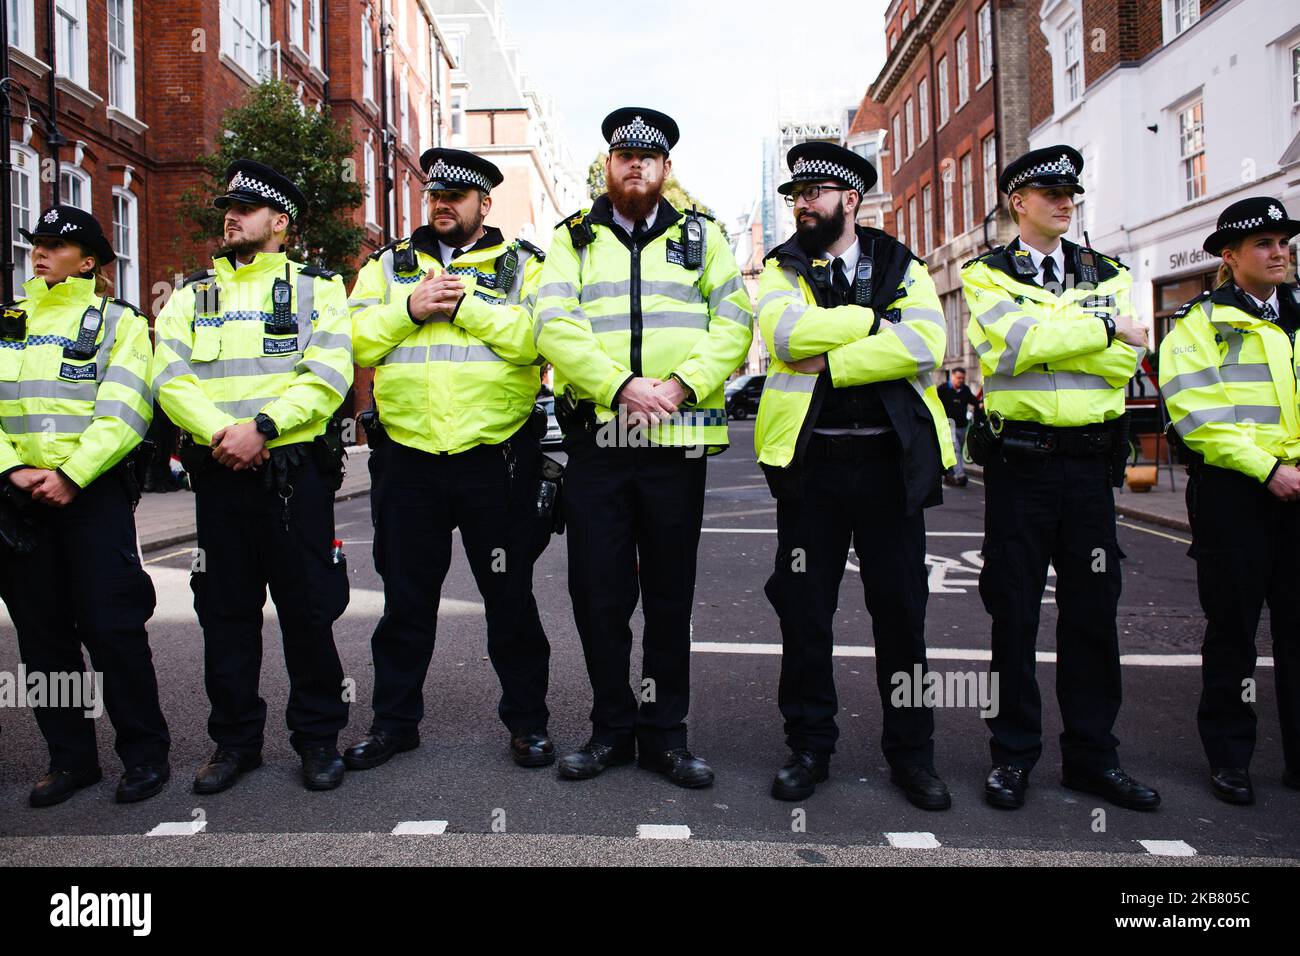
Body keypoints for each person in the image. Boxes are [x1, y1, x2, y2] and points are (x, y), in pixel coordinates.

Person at [534, 108, 752, 787]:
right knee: (598, 594)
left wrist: (682, 385)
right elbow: (553, 323)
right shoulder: (572, 240)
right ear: (607, 165)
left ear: (665, 171)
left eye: (647, 157)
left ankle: (665, 736)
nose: (634, 165)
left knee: (668, 594)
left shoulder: (703, 236)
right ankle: (609, 732)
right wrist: (621, 385)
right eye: (623, 154)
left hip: (674, 438)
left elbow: (736, 321)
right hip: (601, 436)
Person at [754, 142, 956, 810]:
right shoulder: (783, 266)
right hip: (812, 473)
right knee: (805, 615)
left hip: (888, 469)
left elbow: (927, 343)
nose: (802, 203)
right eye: (795, 194)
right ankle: (809, 747)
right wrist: (873, 320)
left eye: (814, 191)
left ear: (850, 199)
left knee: (903, 617)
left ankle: (913, 755)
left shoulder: (903, 261)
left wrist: (836, 362)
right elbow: (786, 338)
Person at [344, 148, 555, 771]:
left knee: (509, 598)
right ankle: (393, 724)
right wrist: (411, 308)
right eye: (434, 193)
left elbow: (538, 341)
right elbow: (352, 339)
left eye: (456, 196)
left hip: (496, 459)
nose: (441, 203)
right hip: (408, 460)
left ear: (484, 204)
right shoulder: (388, 266)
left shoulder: (523, 265)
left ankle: (528, 724)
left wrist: (464, 306)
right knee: (405, 602)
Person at [962, 145, 1159, 811]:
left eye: (1072, 191)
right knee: (1012, 616)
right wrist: (1105, 328)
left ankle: (1092, 758)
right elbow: (1010, 349)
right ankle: (1012, 756)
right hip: (1020, 465)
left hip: (1087, 468)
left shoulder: (1106, 269)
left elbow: (1120, 365)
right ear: (1018, 201)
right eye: (1050, 192)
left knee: (1093, 617)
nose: (1065, 201)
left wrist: (1065, 334)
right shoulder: (985, 274)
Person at [152, 160, 353, 793]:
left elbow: (327, 376)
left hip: (294, 480)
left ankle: (318, 740)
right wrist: (224, 435)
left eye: (245, 208)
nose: (230, 217)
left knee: (307, 613)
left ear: (280, 224)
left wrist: (261, 428)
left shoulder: (319, 290)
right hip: (222, 479)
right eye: (226, 209)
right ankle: (235, 744)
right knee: (225, 615)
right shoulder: (189, 296)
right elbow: (168, 378)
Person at [0, 205, 170, 806]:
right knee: (42, 639)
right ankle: (70, 761)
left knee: (112, 628)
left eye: (54, 244)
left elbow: (126, 409)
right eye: (36, 243)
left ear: (91, 260)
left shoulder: (118, 322)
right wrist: (13, 468)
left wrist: (71, 474)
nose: (39, 252)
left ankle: (145, 755)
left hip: (90, 494)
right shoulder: (9, 320)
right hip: (20, 499)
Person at [1159, 196, 1300, 805]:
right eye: (1264, 243)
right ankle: (1230, 757)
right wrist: (1269, 468)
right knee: (1233, 632)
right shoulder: (1197, 322)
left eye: (1284, 242)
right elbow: (1197, 413)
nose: (1280, 252)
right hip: (1234, 493)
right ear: (1230, 255)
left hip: (1298, 490)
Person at [937, 367, 978, 486]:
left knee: (956, 450)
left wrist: (980, 404)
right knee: (955, 450)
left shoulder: (965, 389)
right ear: (952, 376)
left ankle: (949, 475)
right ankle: (960, 475)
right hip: (948, 424)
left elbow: (974, 401)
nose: (961, 380)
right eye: (958, 378)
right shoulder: (942, 389)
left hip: (962, 425)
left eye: (963, 378)